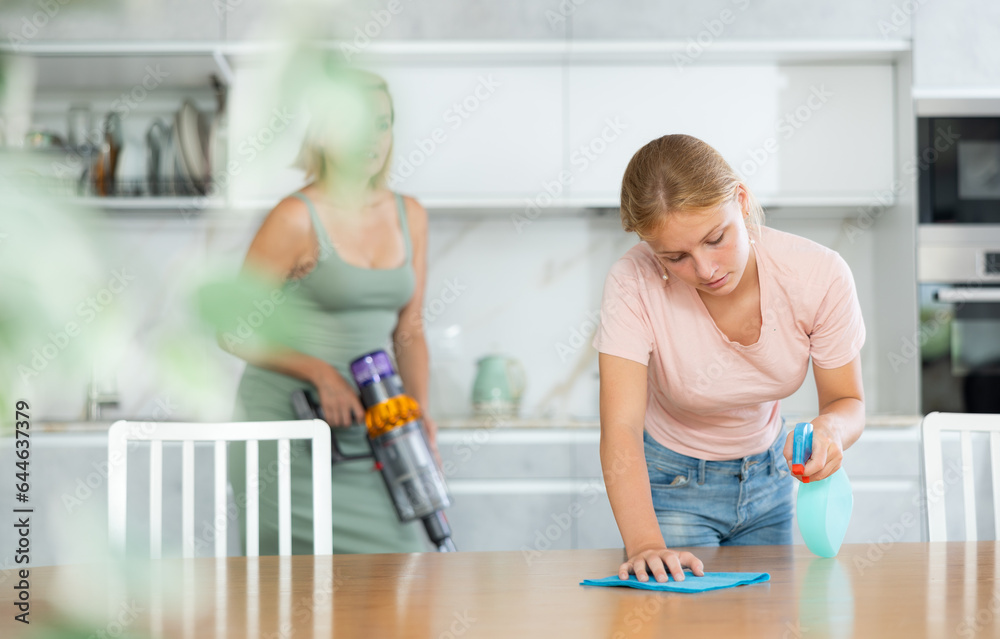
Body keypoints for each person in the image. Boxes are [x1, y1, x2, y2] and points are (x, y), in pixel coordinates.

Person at [593, 134, 866, 583]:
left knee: (765, 623)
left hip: (772, 478)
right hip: (671, 484)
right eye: (675, 257)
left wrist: (831, 430)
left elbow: (847, 402)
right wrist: (645, 544)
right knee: (680, 624)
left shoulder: (818, 275)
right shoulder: (632, 283)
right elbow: (621, 428)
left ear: (740, 200)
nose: (705, 270)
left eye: (716, 238)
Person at [222, 68, 433, 554]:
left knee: (401, 571)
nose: (373, 139)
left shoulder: (410, 215)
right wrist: (318, 371)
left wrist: (418, 417)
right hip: (286, 430)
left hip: (374, 425)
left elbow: (410, 329)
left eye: (383, 124)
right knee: (295, 597)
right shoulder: (295, 217)